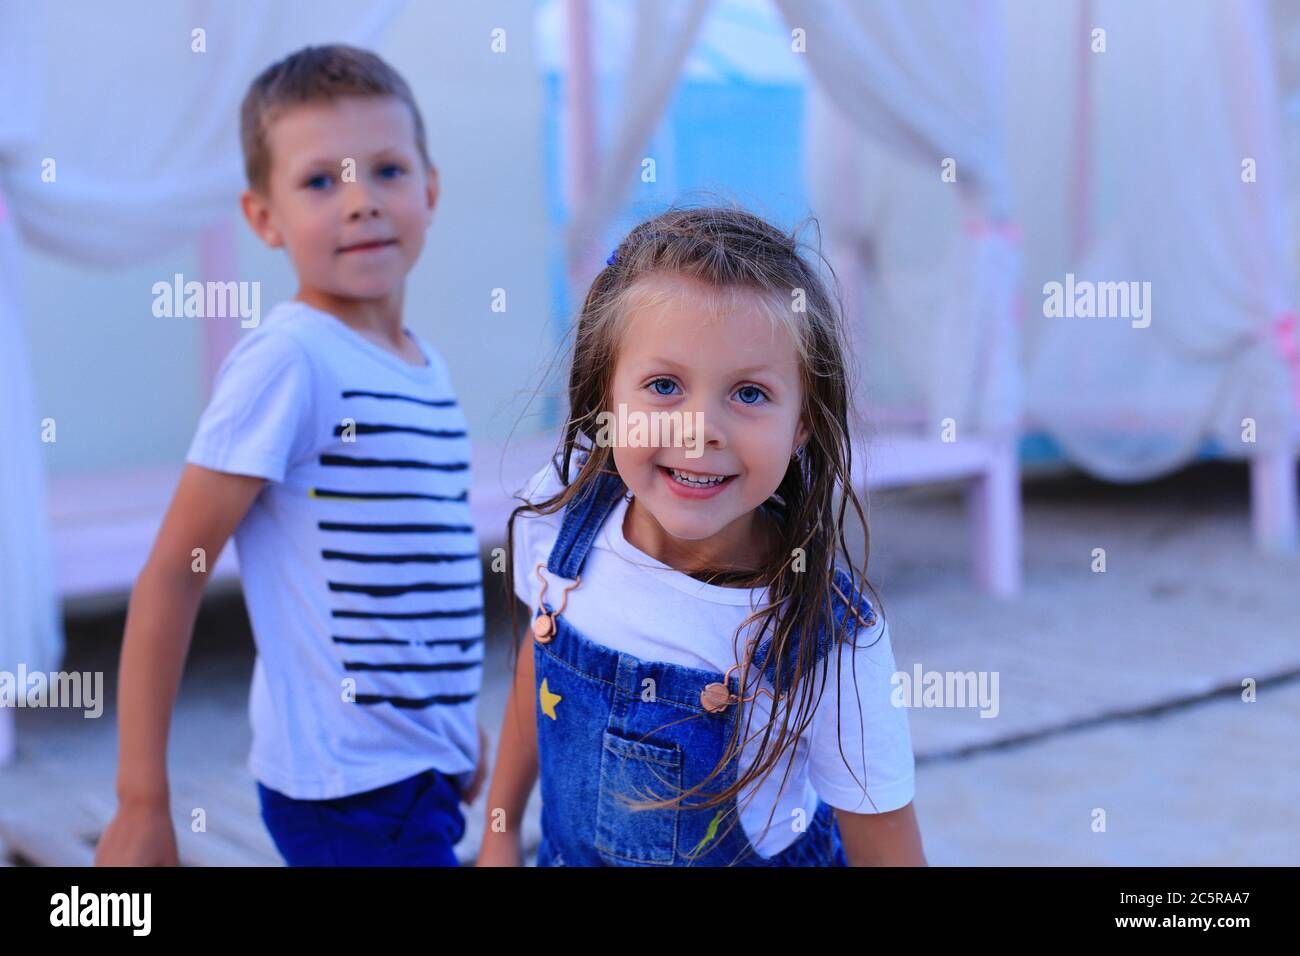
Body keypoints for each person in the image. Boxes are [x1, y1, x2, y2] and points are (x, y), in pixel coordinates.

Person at [95, 44, 486, 867]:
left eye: (386, 170)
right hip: (348, 791)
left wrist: (453, 722)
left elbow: (423, 567)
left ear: (431, 188)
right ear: (263, 217)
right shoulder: (291, 362)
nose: (361, 203)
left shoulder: (425, 365)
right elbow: (174, 570)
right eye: (320, 182)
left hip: (420, 769)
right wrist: (140, 802)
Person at [478, 206, 926, 866]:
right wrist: (498, 833)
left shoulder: (831, 643)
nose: (698, 431)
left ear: (801, 425)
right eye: (664, 385)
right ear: (610, 397)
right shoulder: (561, 508)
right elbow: (536, 668)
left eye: (748, 394)